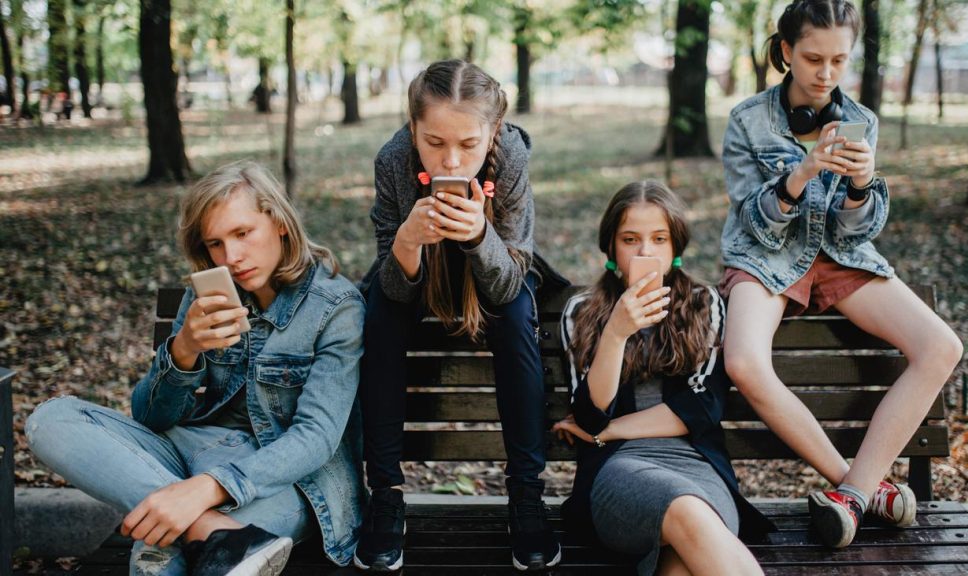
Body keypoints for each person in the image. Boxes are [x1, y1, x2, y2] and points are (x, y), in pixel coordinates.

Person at [27, 160, 367, 575]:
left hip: (291, 480)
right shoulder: (208, 296)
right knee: (51, 418)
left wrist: (207, 488)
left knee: (159, 543)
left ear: (279, 222)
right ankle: (212, 530)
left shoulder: (336, 307)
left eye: (243, 233)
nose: (232, 257)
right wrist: (185, 348)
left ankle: (208, 529)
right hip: (191, 453)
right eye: (216, 243)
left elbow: (316, 438)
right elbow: (150, 418)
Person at [719, 0, 962, 548]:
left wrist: (861, 186)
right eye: (812, 58)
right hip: (768, 255)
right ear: (785, 52)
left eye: (838, 60)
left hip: (840, 257)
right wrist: (801, 174)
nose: (826, 73)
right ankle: (862, 490)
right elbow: (756, 226)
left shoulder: (862, 121)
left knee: (942, 347)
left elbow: (855, 232)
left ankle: (849, 497)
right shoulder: (747, 120)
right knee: (742, 361)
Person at [355, 59, 567, 572]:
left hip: (492, 276)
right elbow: (394, 285)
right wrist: (407, 241)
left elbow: (509, 280)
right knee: (379, 316)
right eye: (434, 142)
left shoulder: (511, 154)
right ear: (412, 130)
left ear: (493, 130)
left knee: (518, 315)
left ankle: (525, 495)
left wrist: (477, 235)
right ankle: (385, 494)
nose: (451, 161)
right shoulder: (392, 161)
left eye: (468, 145)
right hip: (417, 278)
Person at [554, 181, 774, 576]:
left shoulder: (703, 304)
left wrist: (610, 430)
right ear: (611, 248)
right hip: (618, 471)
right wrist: (617, 333)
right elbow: (590, 415)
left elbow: (700, 409)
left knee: (679, 567)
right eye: (630, 239)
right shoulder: (582, 310)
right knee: (687, 511)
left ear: (675, 247)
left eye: (659, 239)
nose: (645, 252)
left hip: (698, 467)